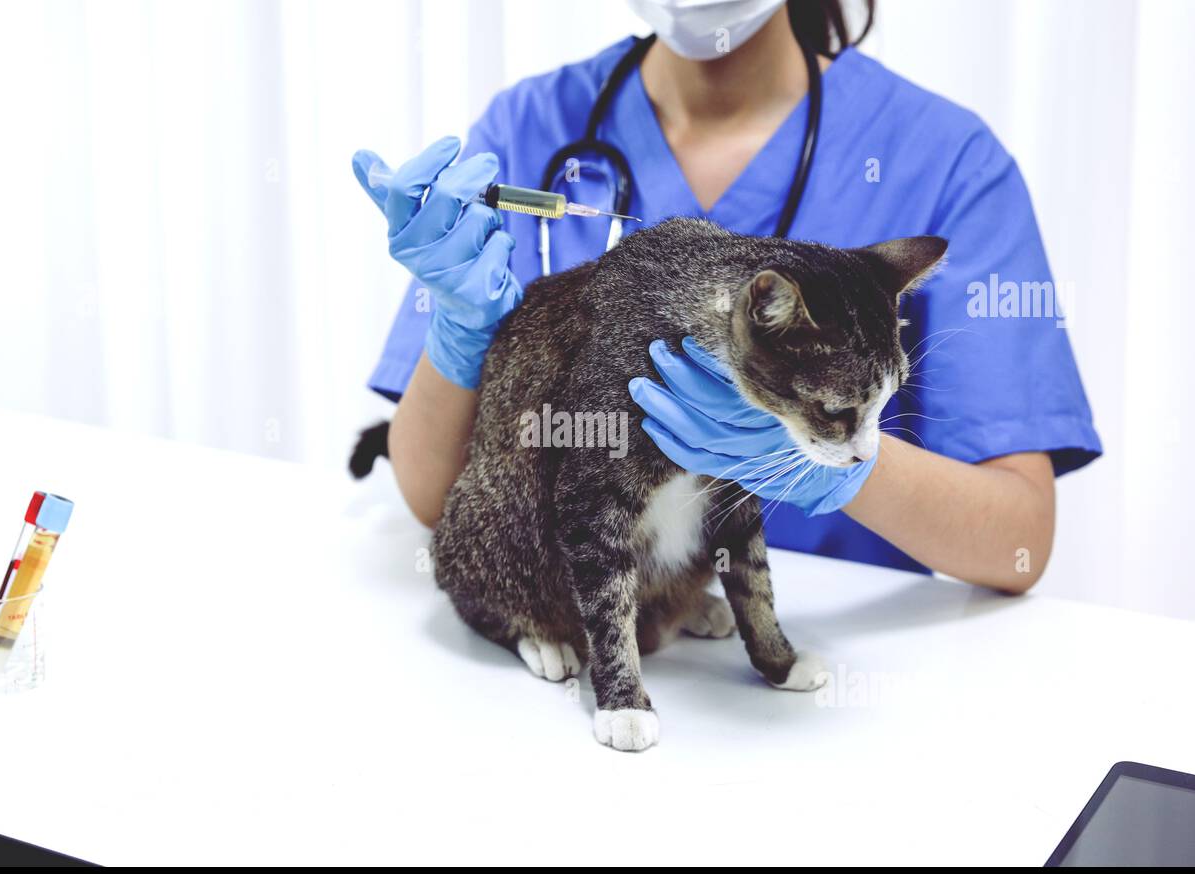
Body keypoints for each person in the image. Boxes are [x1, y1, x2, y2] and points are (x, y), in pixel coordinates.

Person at [352, 0, 1101, 594]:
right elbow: (435, 497)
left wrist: (835, 469)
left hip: (822, 682)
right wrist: (459, 327)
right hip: (588, 640)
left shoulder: (944, 159)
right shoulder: (532, 126)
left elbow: (1018, 543)